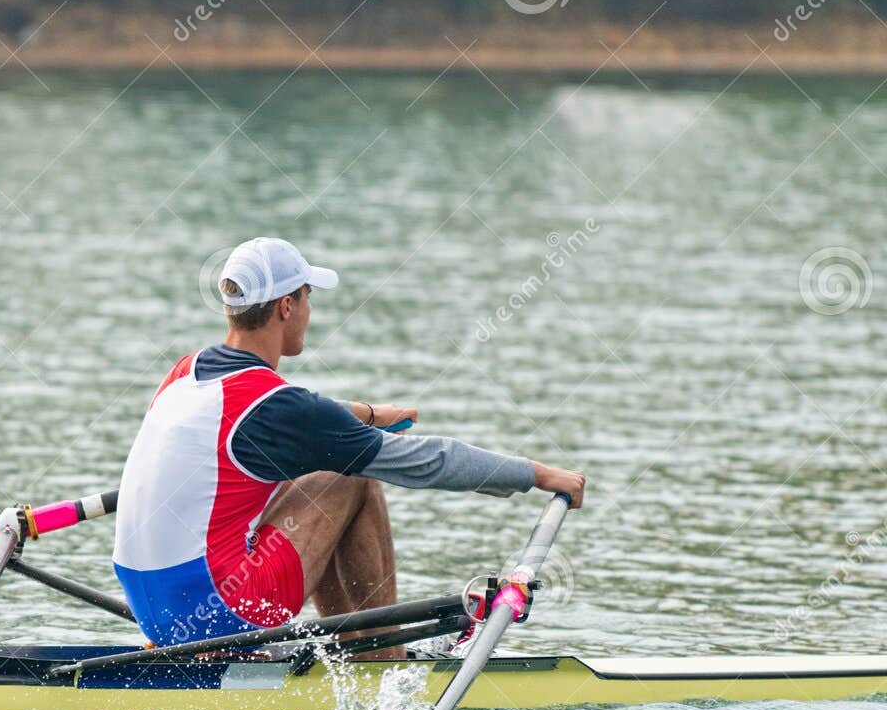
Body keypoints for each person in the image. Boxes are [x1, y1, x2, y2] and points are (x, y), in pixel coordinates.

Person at [112, 237, 586, 656]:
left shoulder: (185, 373)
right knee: (352, 475)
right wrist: (538, 475)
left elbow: (297, 421)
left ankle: (343, 649)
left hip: (154, 609)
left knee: (305, 470)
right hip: (221, 610)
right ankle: (380, 660)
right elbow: (427, 463)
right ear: (286, 307)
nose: (310, 310)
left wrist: (368, 414)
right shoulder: (277, 408)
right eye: (308, 296)